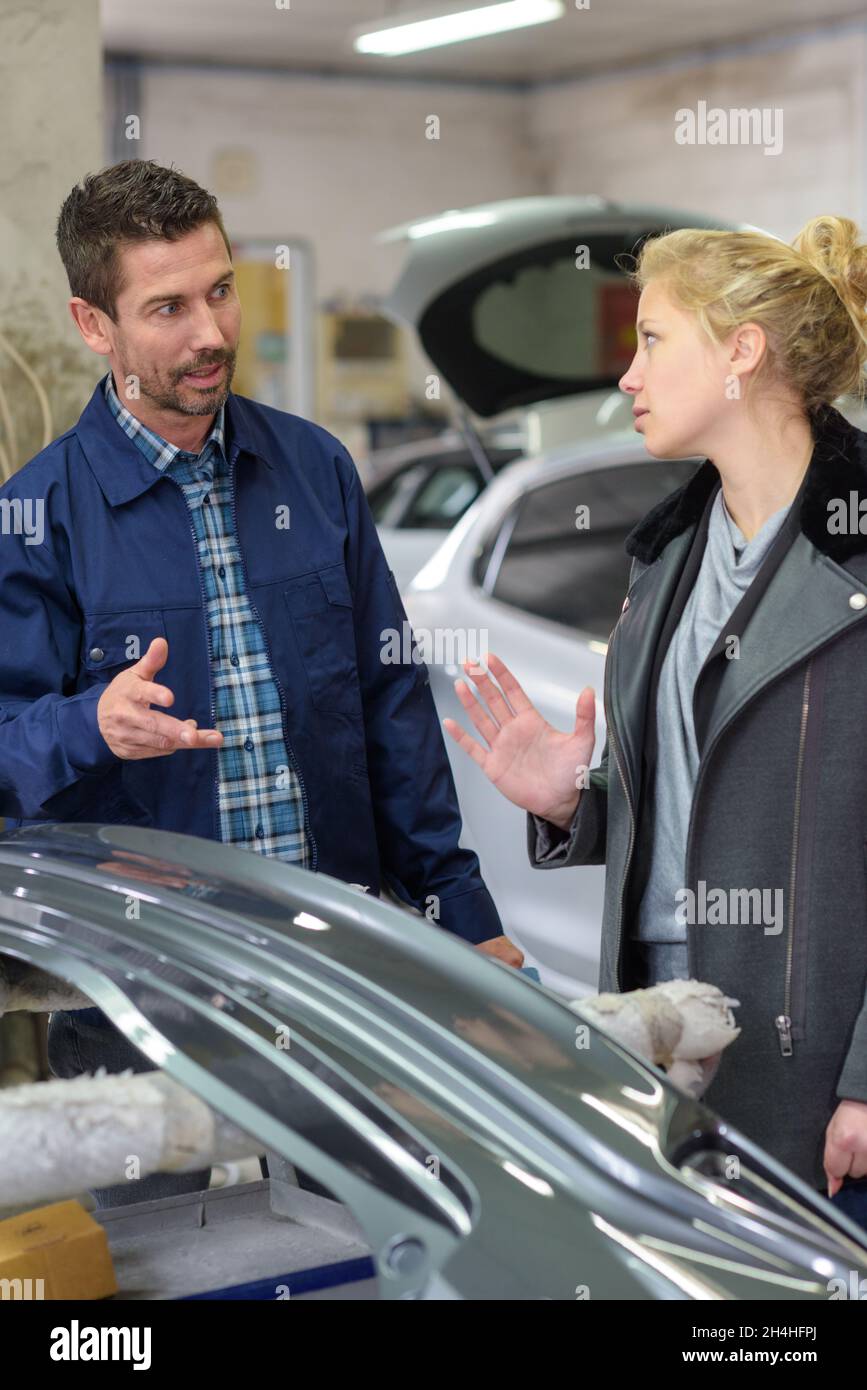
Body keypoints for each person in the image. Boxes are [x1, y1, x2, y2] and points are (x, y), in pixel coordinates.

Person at [0, 159, 521, 1206]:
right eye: (169, 307)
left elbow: (391, 714)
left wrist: (463, 916)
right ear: (92, 324)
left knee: (364, 1244)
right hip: (137, 993)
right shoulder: (37, 514)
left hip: (334, 970)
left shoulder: (316, 470)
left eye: (222, 289)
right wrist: (85, 724)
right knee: (159, 1275)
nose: (212, 332)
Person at [445, 215, 867, 1231]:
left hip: (810, 1045)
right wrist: (576, 800)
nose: (626, 376)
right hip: (663, 1021)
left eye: (651, 340)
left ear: (742, 351)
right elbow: (698, 794)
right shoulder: (669, 557)